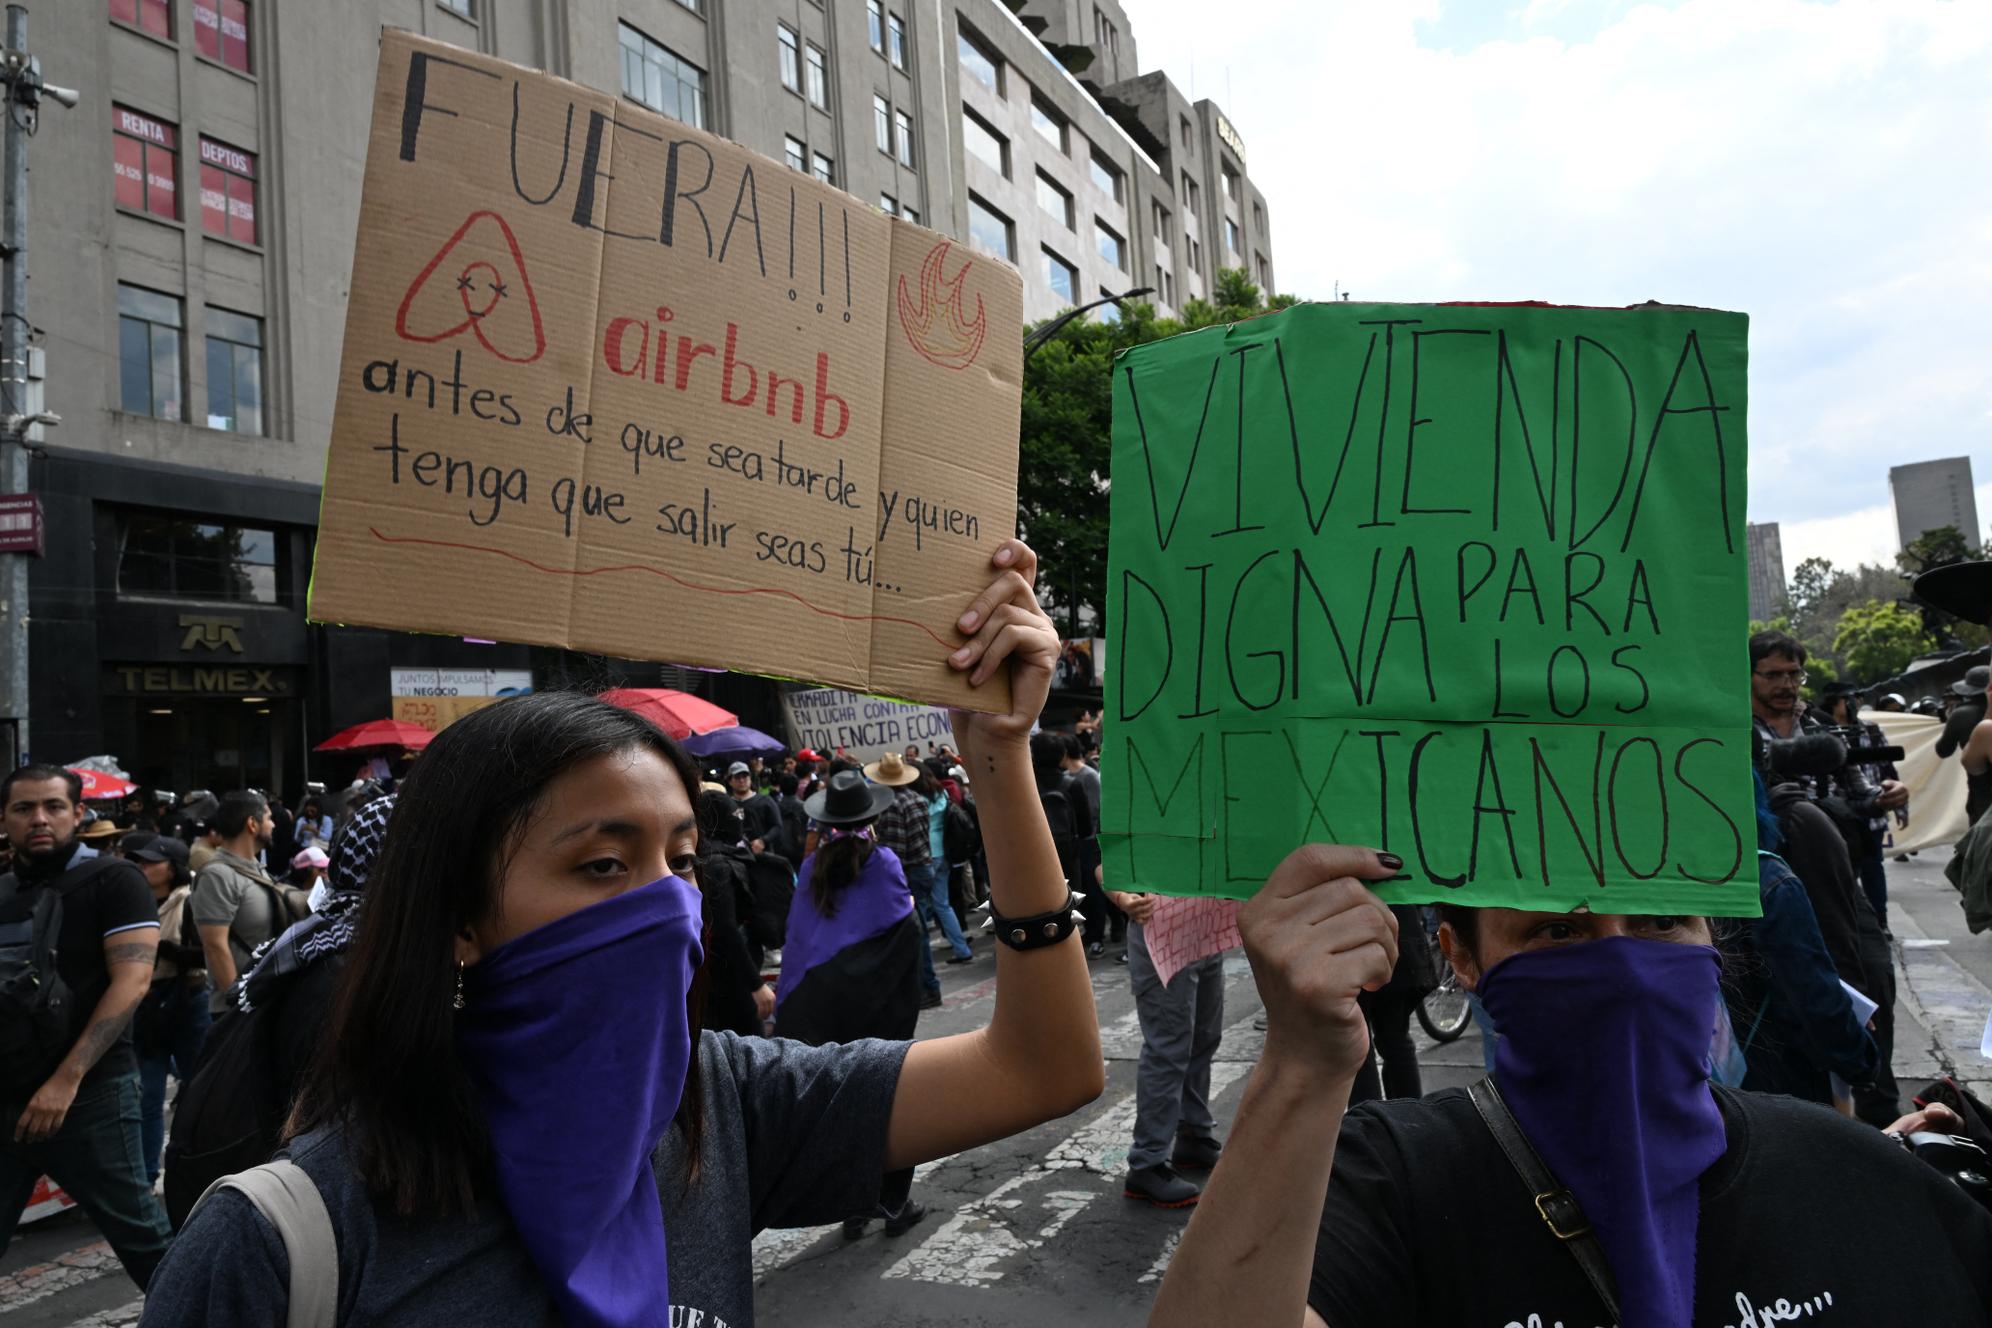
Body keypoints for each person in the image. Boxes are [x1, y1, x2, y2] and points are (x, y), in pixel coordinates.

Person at [143, 537, 1106, 1327]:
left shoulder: (716, 1107)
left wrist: (998, 761)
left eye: (681, 862)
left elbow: (1044, 1068)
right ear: (460, 921)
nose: (668, 907)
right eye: (604, 865)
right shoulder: (277, 1246)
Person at [1148, 845, 1992, 1328]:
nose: (1623, 964)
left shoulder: (1859, 1180)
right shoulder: (1391, 1185)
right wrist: (1300, 1066)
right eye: (1558, 929)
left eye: (1661, 920)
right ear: (1463, 958)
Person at [0, 765, 172, 1289]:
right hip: (8, 1095)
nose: (39, 819)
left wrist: (65, 1080)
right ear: (4, 819)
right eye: (24, 808)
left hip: (90, 1095)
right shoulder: (4, 891)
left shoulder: (115, 880)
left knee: (147, 1245)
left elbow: (133, 981)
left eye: (53, 806)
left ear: (79, 813)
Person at [776, 768, 929, 1237]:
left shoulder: (810, 868)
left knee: (843, 1105)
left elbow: (798, 943)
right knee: (888, 1100)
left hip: (823, 1006)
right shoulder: (881, 862)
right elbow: (907, 933)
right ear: (871, 817)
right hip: (879, 1005)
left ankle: (852, 1208)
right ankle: (892, 1205)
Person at [1105, 889, 1228, 1208]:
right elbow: (1108, 863)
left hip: (1206, 931)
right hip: (1161, 933)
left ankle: (1193, 1134)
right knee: (1168, 1051)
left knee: (1204, 1040)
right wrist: (1123, 898)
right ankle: (1147, 1164)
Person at [128, 833, 210, 1185]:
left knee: (197, 1090)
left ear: (172, 868)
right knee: (147, 1096)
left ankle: (199, 1163)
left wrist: (164, 950)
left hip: (186, 1003)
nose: (143, 867)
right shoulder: (135, 902)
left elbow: (208, 951)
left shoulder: (189, 901)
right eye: (140, 862)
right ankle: (147, 1174)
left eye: (151, 862)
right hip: (146, 1003)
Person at [873, 750, 974, 998]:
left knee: (917, 930)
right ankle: (941, 967)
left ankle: (928, 985)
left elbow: (896, 851)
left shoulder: (894, 806)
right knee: (935, 911)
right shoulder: (918, 799)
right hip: (927, 862)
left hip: (910, 869)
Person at [692, 789, 776, 1037]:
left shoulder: (702, 858)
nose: (738, 819)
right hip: (730, 976)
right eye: (734, 814)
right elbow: (726, 928)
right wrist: (756, 984)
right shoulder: (718, 864)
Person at [190, 790, 284, 1013]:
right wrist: (239, 1006)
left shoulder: (258, 871)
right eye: (269, 818)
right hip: (239, 1012)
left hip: (267, 1002)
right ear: (252, 823)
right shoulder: (217, 875)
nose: (274, 825)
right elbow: (215, 945)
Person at [1347, 904, 1436, 1105]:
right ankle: (1407, 1118)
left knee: (1358, 1045)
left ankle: (1369, 1128)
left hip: (1354, 941)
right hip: (1398, 938)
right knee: (1394, 1038)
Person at [1060, 734, 1121, 953]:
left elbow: (1096, 810)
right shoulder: (1066, 776)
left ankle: (1108, 931)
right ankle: (1097, 932)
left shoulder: (1089, 776)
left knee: (1097, 888)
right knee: (1085, 889)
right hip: (1079, 841)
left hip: (1093, 839)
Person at [726, 761, 781, 853]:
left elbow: (777, 825)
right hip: (736, 856)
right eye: (737, 777)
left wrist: (763, 841)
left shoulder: (765, 800)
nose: (742, 780)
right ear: (730, 781)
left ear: (750, 778)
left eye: (745, 776)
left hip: (763, 855)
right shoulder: (727, 804)